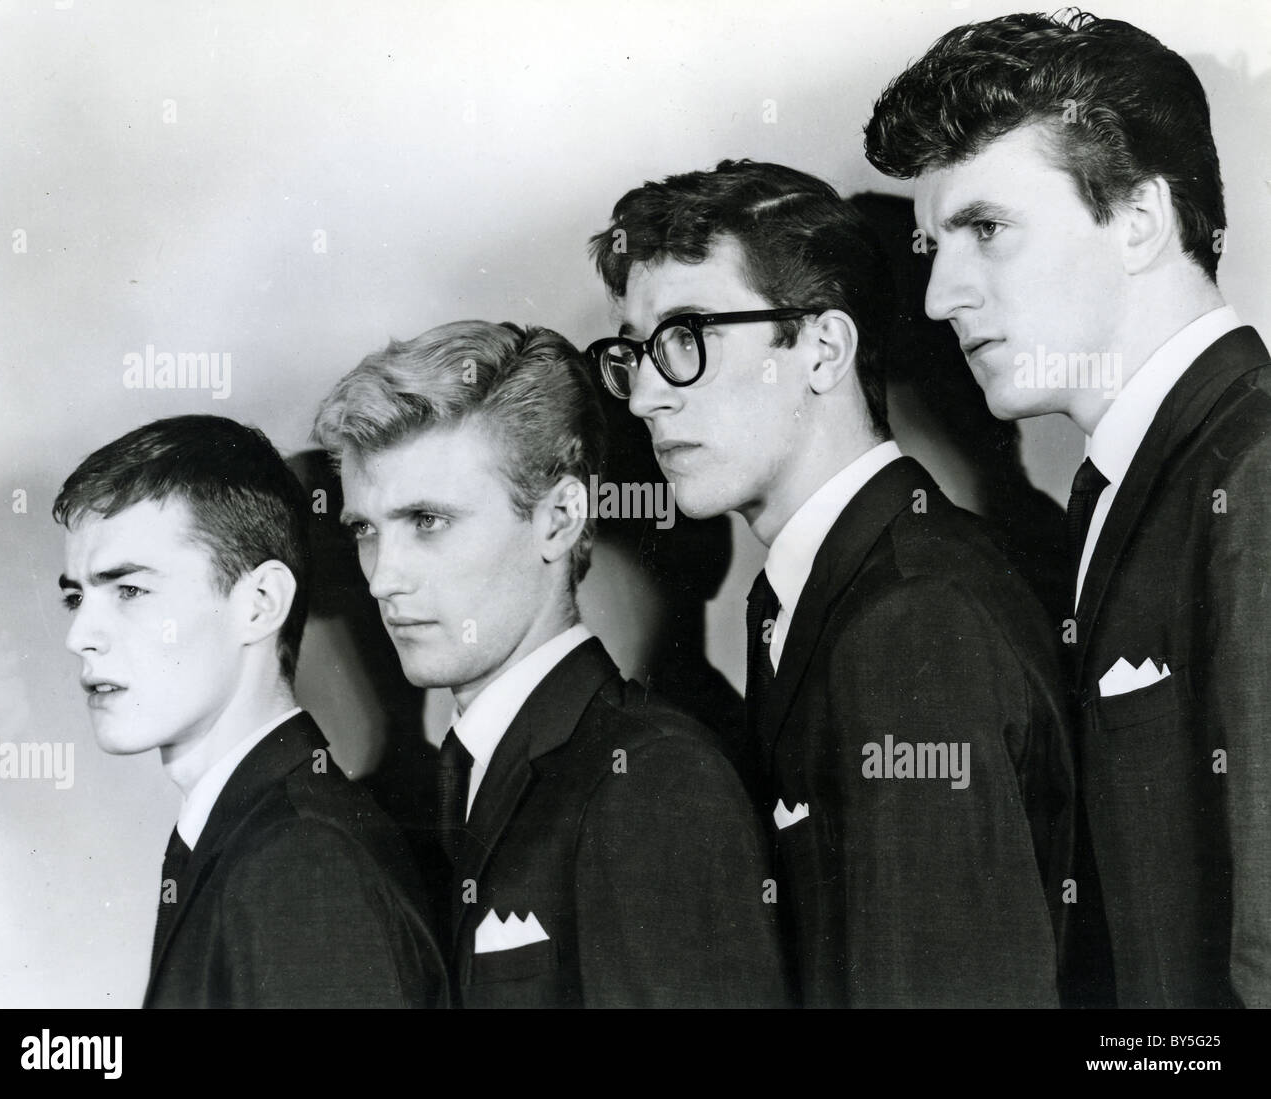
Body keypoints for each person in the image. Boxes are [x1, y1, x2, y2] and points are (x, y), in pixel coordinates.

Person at [586, 159, 1075, 1007]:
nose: (644, 399)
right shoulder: (829, 591)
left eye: (686, 337)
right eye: (633, 355)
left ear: (822, 349)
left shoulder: (909, 619)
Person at [865, 9, 1271, 1009]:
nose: (938, 296)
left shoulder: (1253, 476)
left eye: (987, 230)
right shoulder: (1134, 484)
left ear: (1139, 220)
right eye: (931, 243)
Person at [312, 320, 787, 1008]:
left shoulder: (651, 778)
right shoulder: (470, 773)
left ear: (560, 518)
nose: (383, 577)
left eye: (428, 520)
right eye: (365, 530)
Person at [54, 414, 448, 1008]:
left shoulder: (299, 863)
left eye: (129, 590)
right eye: (75, 596)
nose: (80, 634)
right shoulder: (250, 833)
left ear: (261, 604)